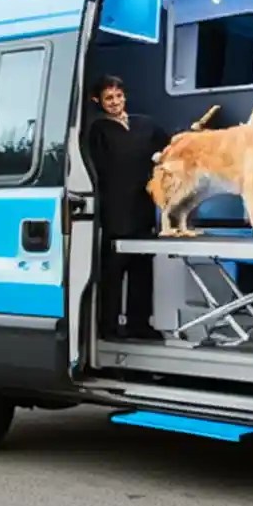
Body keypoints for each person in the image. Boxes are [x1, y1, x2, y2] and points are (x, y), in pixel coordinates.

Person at [86, 75, 169, 341]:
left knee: (142, 268)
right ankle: (108, 326)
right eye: (108, 98)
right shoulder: (97, 130)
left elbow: (169, 148)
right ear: (97, 100)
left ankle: (139, 324)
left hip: (143, 205)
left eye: (119, 96)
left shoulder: (146, 124)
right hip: (114, 209)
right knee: (113, 270)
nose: (115, 102)